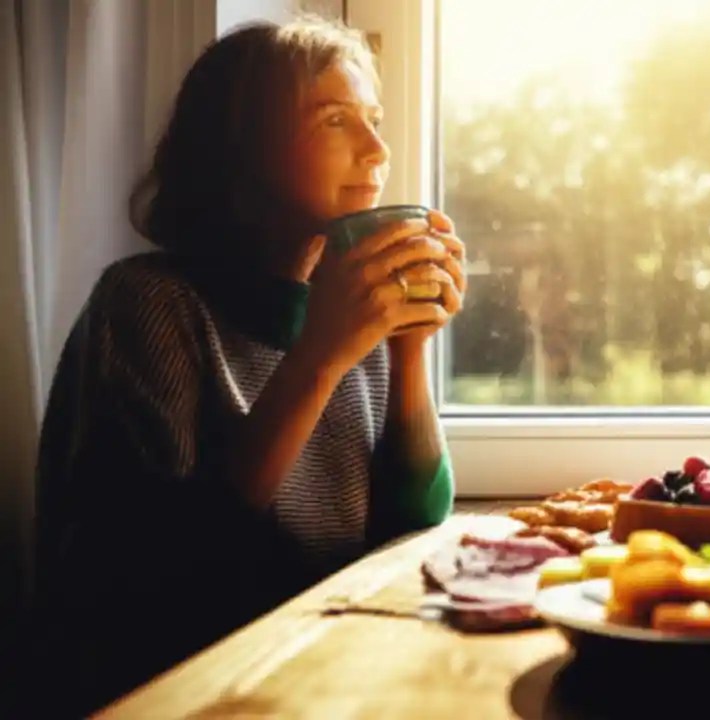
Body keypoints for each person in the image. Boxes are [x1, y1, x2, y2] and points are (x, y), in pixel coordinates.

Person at [31, 16, 463, 714]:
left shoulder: (346, 306)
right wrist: (321, 355)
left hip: (312, 673)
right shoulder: (149, 303)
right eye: (335, 121)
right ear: (245, 148)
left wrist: (408, 346)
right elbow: (170, 565)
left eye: (375, 120)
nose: (378, 150)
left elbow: (412, 521)